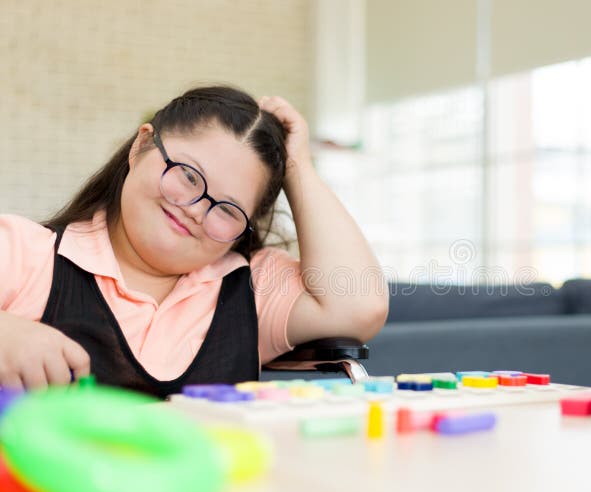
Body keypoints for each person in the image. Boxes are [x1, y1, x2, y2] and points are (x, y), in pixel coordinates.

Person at [0, 86, 388, 397]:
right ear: (141, 146)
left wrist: (298, 168)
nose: (196, 210)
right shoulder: (26, 253)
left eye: (227, 210)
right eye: (187, 175)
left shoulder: (249, 288)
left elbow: (359, 304)